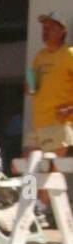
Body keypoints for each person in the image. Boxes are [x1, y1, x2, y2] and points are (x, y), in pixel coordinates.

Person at [25, 11, 73, 158]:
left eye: (50, 28)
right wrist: (29, 86)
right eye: (44, 28)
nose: (45, 32)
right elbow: (31, 87)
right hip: (38, 125)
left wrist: (71, 109)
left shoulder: (70, 54)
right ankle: (30, 183)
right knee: (27, 168)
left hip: (59, 126)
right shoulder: (40, 56)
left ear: (62, 31)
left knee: (51, 172)